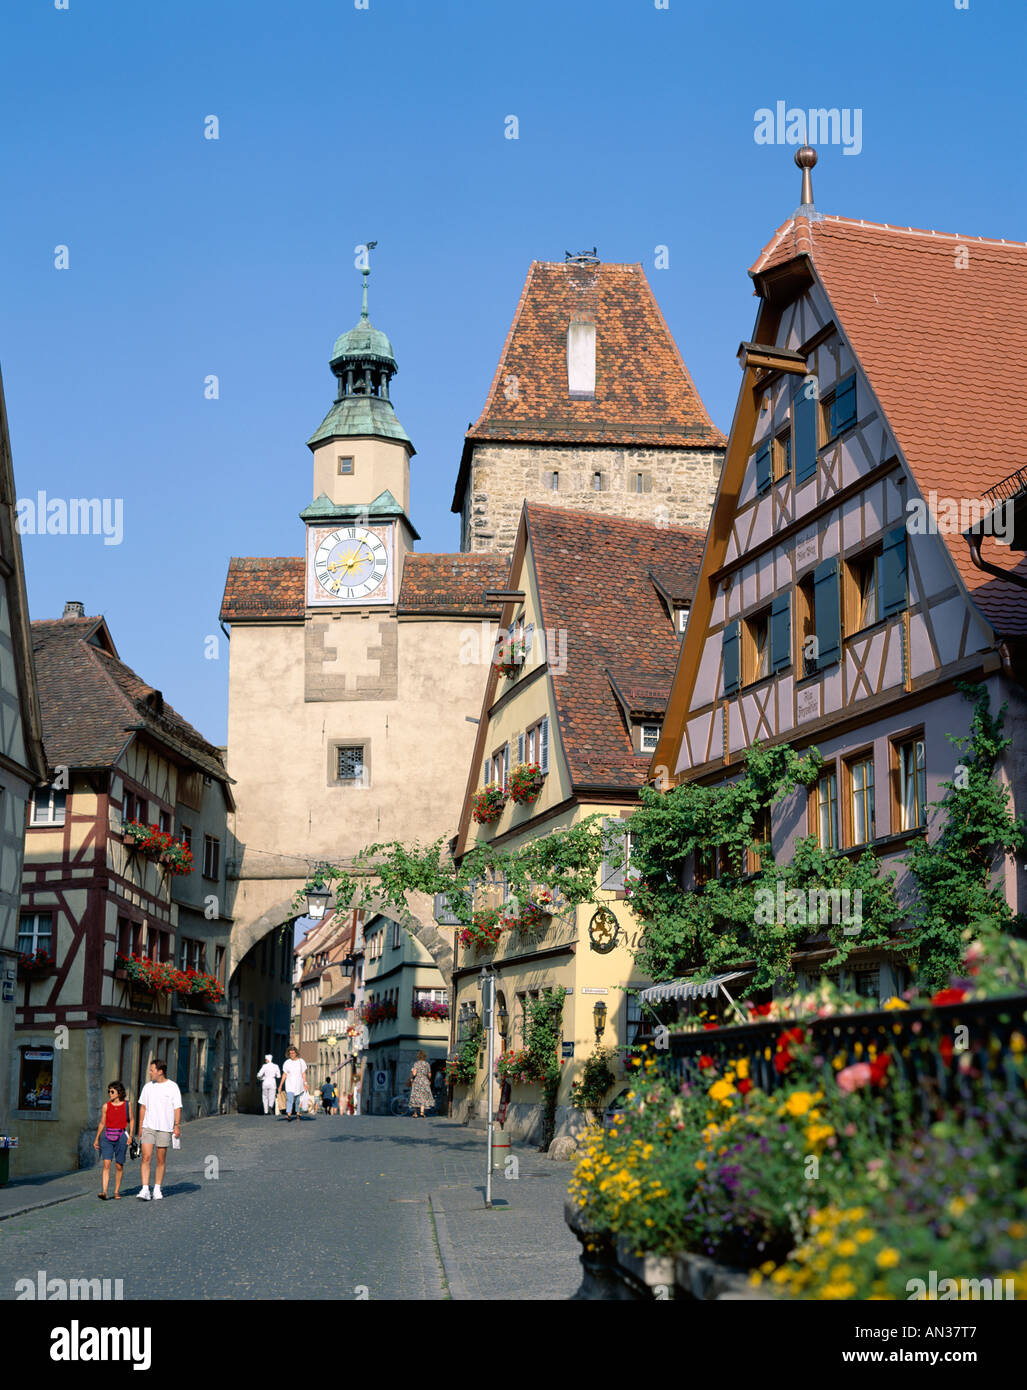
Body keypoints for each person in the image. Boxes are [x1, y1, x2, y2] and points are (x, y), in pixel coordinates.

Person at [136, 1058, 182, 1200]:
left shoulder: (172, 1087)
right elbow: (143, 1107)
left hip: (164, 1128)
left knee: (161, 1159)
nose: (150, 1072)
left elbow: (177, 1107)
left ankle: (157, 1188)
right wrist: (140, 1126)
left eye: (152, 1070)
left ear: (160, 1071)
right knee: (146, 1157)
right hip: (148, 1127)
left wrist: (176, 1125)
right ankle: (145, 1189)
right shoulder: (147, 1087)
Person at [93, 1079, 133, 1200]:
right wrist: (96, 1139)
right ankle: (104, 1191)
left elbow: (131, 1120)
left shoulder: (127, 1105)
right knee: (106, 1164)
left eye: (112, 1091)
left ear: (119, 1093)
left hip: (121, 1136)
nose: (110, 1094)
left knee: (119, 1165)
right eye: (108, 1091)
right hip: (107, 1137)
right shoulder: (106, 1106)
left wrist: (131, 1136)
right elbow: (102, 1123)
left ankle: (116, 1191)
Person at [278, 1045, 308, 1121]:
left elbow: (303, 1073)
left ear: (296, 1053)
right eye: (290, 1053)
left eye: (293, 1053)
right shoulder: (287, 1063)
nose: (292, 1055)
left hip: (299, 1085)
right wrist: (280, 1085)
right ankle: (288, 1114)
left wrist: (305, 1083)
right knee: (290, 1099)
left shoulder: (301, 1062)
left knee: (298, 1100)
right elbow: (284, 1074)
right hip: (290, 1084)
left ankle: (298, 1113)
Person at [409, 1050, 434, 1118]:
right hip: (425, 1081)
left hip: (417, 1081)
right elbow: (429, 1074)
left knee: (416, 1096)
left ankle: (415, 1113)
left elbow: (414, 1073)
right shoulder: (427, 1064)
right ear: (425, 1057)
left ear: (418, 1056)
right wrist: (429, 1079)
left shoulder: (416, 1063)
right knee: (423, 1096)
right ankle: (422, 1112)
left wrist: (411, 1077)